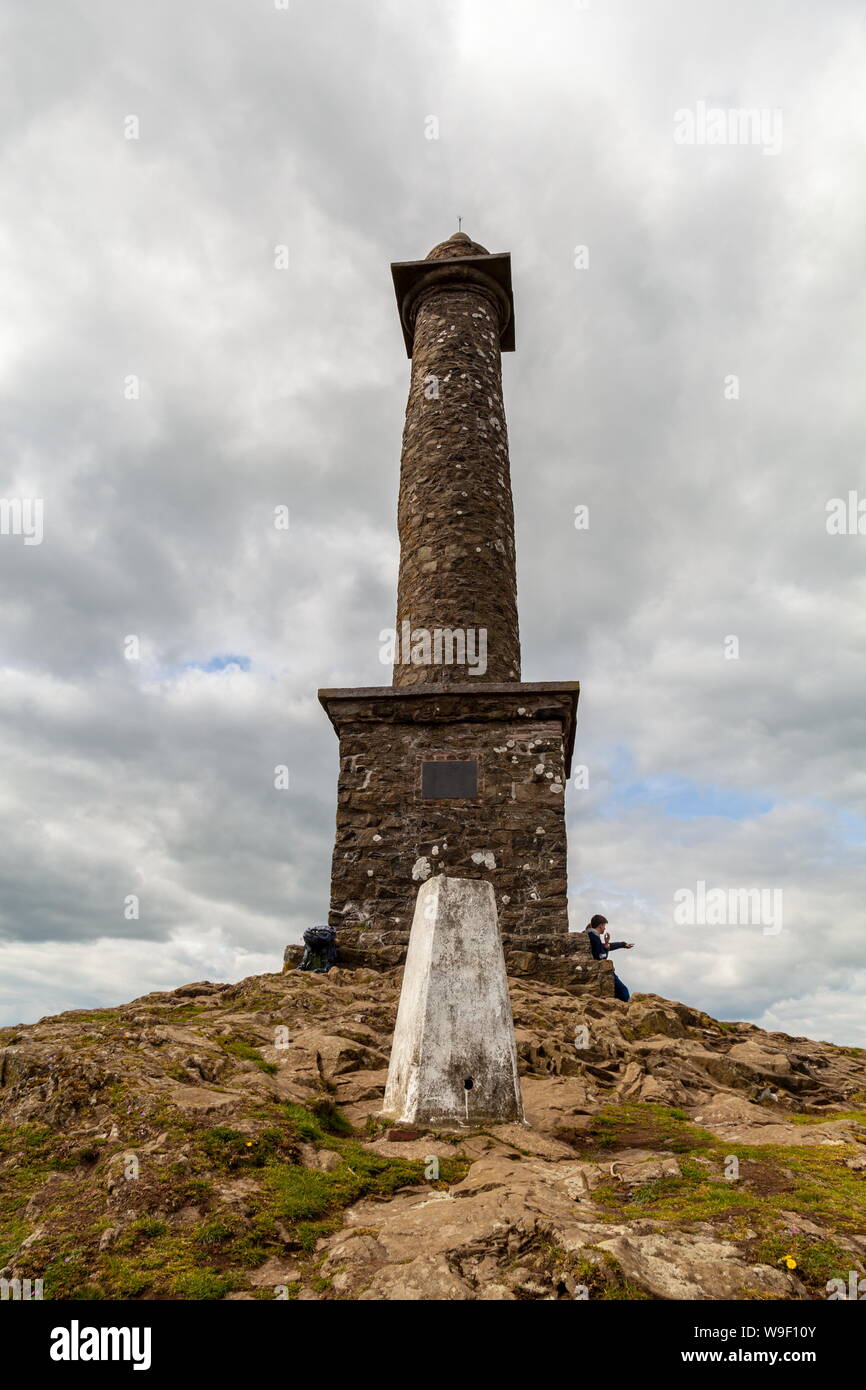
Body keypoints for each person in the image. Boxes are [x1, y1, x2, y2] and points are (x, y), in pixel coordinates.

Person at [585, 914, 635, 1001]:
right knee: (624, 992)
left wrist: (623, 944)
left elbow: (604, 947)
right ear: (600, 925)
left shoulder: (591, 935)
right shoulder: (594, 937)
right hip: (600, 971)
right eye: (604, 926)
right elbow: (601, 956)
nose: (605, 928)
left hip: (596, 971)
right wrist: (607, 949)